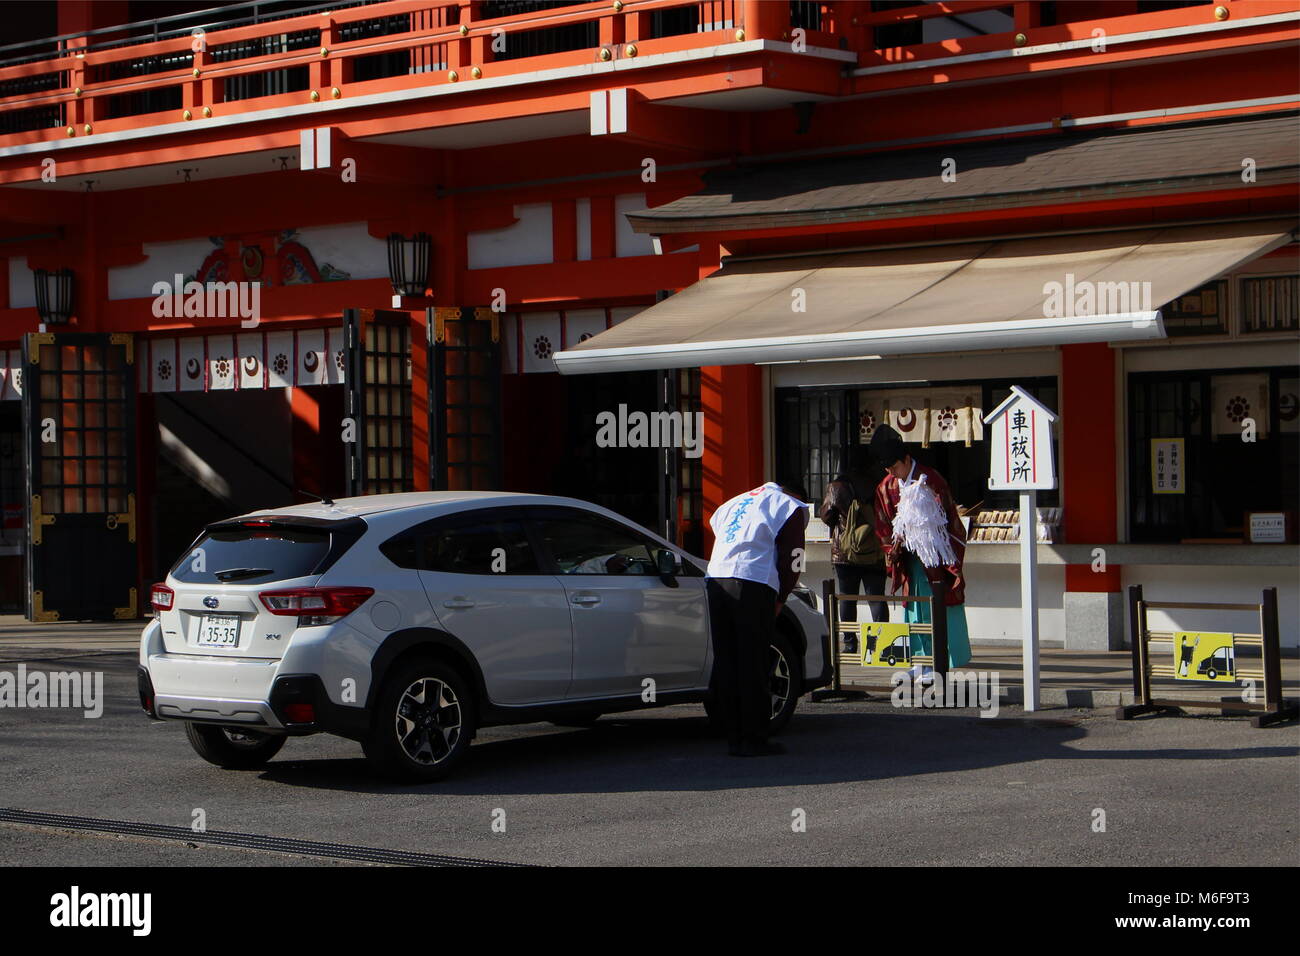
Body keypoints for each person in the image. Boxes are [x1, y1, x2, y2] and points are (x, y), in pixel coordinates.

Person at [706, 480, 808, 757]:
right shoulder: (790, 506)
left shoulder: (733, 502)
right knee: (754, 660)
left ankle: (733, 737)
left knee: (727, 659)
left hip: (716, 577)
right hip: (753, 580)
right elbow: (794, 557)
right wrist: (782, 596)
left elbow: (717, 529)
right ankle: (755, 739)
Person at [869, 425, 972, 684]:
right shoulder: (886, 487)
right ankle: (919, 659)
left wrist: (930, 536)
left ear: (906, 459)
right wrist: (892, 548)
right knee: (913, 607)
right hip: (908, 558)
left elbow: (948, 516)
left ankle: (939, 662)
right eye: (887, 469)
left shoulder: (930, 479)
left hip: (935, 556)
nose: (891, 473)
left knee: (934, 606)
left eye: (894, 467)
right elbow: (883, 523)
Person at [820, 448, 888, 650]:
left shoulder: (838, 486)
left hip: (845, 553)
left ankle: (850, 643)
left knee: (847, 599)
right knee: (876, 598)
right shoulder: (879, 483)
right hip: (873, 549)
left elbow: (826, 516)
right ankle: (880, 645)